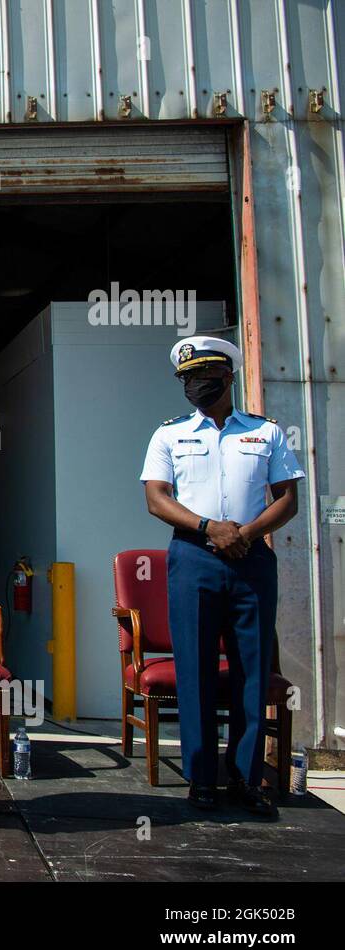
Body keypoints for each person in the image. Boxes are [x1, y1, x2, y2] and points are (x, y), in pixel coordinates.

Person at [140, 335, 303, 817]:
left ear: (228, 377)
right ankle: (201, 778)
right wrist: (211, 528)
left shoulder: (265, 432)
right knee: (195, 670)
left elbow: (287, 499)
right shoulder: (169, 434)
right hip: (194, 557)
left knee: (252, 672)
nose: (195, 385)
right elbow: (156, 498)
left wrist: (245, 534)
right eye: (187, 379)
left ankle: (246, 779)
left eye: (204, 377)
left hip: (250, 560)